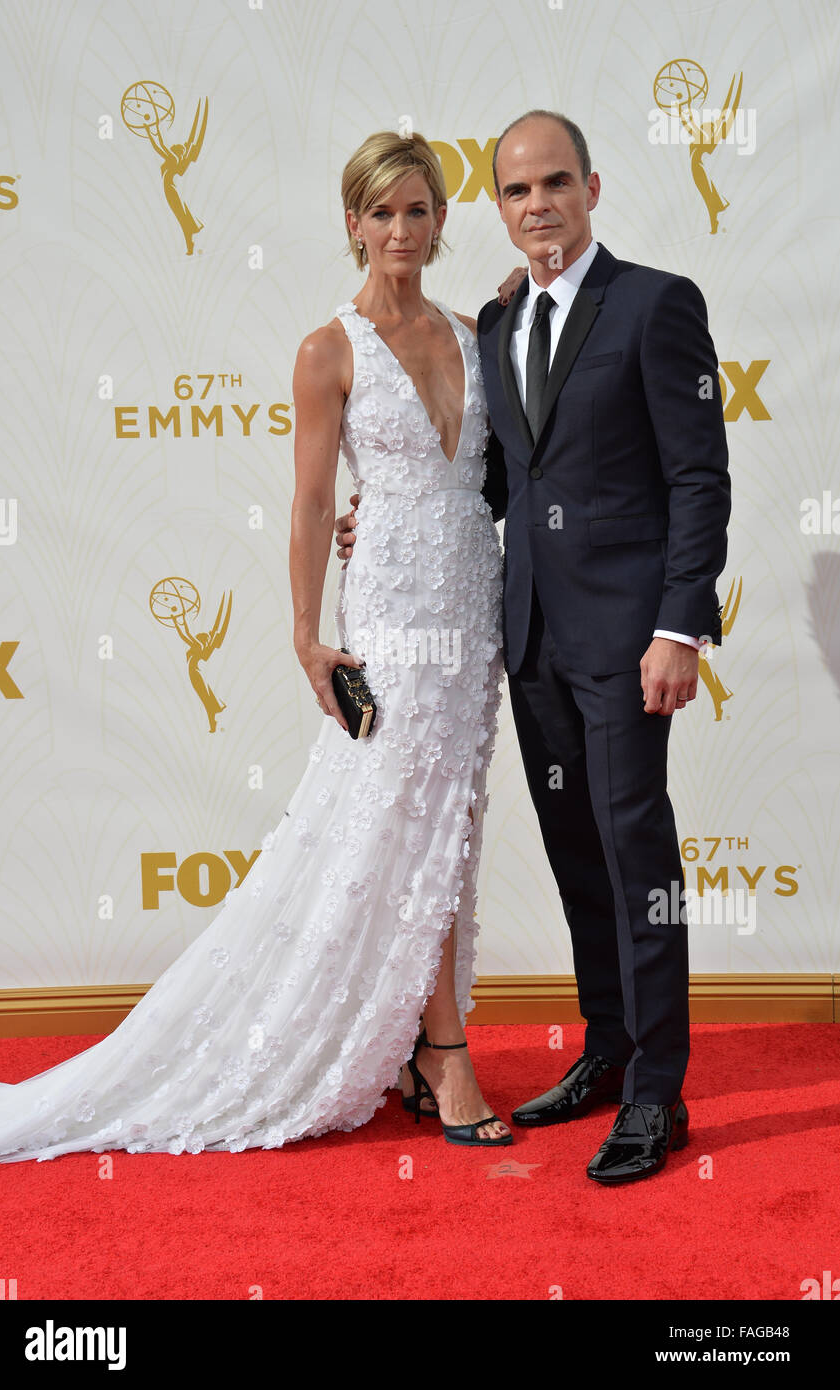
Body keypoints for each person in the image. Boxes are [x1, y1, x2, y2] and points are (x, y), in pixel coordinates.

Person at [0, 129, 512, 1164]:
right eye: (380, 211)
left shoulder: (474, 332)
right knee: (405, 811)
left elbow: (495, 469)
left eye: (418, 209)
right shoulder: (330, 347)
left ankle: (413, 1039)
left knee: (451, 816)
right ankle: (444, 1053)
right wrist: (308, 637)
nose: (400, 229)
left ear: (441, 219)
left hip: (473, 600)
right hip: (394, 606)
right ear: (350, 222)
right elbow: (312, 503)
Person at [335, 110, 731, 1184]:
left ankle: (658, 1092)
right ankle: (605, 1050)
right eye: (516, 191)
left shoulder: (655, 304)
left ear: (592, 188)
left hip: (629, 639)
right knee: (578, 858)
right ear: (499, 210)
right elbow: (499, 479)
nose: (537, 204)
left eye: (555, 182)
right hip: (527, 638)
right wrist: (383, 509)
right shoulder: (497, 329)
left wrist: (676, 627)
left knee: (637, 852)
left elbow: (698, 477)